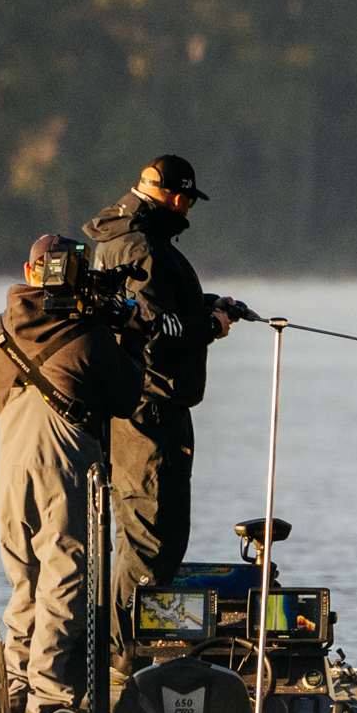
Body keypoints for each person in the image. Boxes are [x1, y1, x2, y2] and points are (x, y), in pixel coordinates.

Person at [82, 155, 251, 672]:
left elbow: (148, 309)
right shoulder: (144, 247)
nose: (188, 212)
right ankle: (120, 662)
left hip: (132, 410)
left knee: (138, 539)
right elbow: (154, 328)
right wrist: (211, 325)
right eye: (187, 202)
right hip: (150, 412)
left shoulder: (119, 238)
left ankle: (114, 654)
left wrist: (209, 304)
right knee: (152, 542)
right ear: (176, 197)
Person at [0, 234, 144, 713]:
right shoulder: (89, 337)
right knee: (64, 582)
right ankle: (47, 709)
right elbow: (126, 396)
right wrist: (131, 333)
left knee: (24, 582)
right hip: (63, 463)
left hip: (10, 466)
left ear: (28, 272)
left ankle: (12, 698)